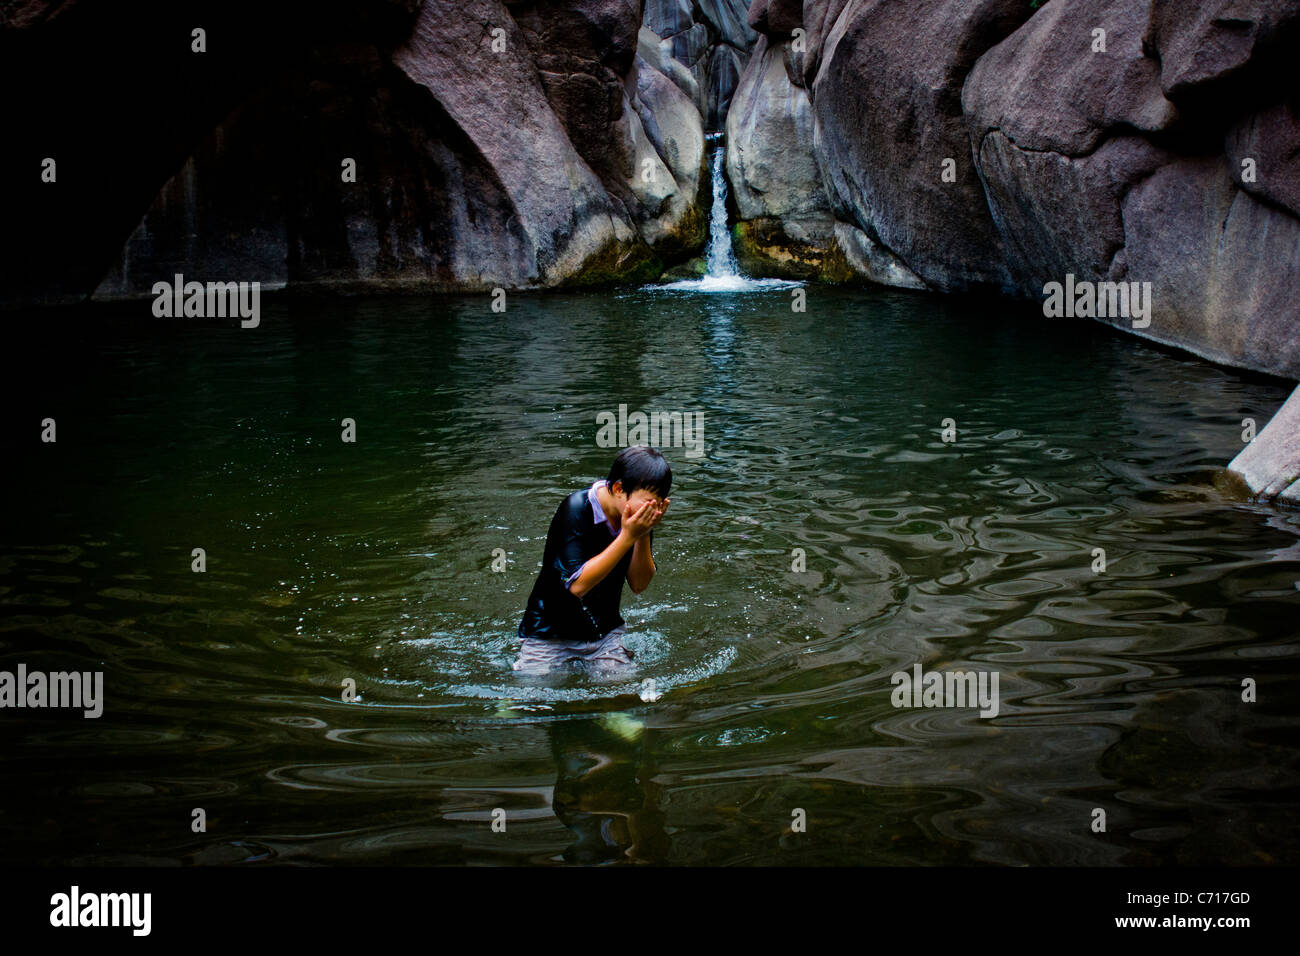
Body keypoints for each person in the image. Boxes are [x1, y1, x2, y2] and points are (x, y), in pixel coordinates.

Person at [514, 446, 671, 673]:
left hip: (603, 635)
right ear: (618, 488)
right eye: (648, 501)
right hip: (548, 634)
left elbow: (639, 585)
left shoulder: (640, 517)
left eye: (658, 503)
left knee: (620, 695)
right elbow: (577, 586)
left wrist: (643, 533)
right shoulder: (576, 508)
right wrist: (627, 536)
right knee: (531, 699)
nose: (653, 510)